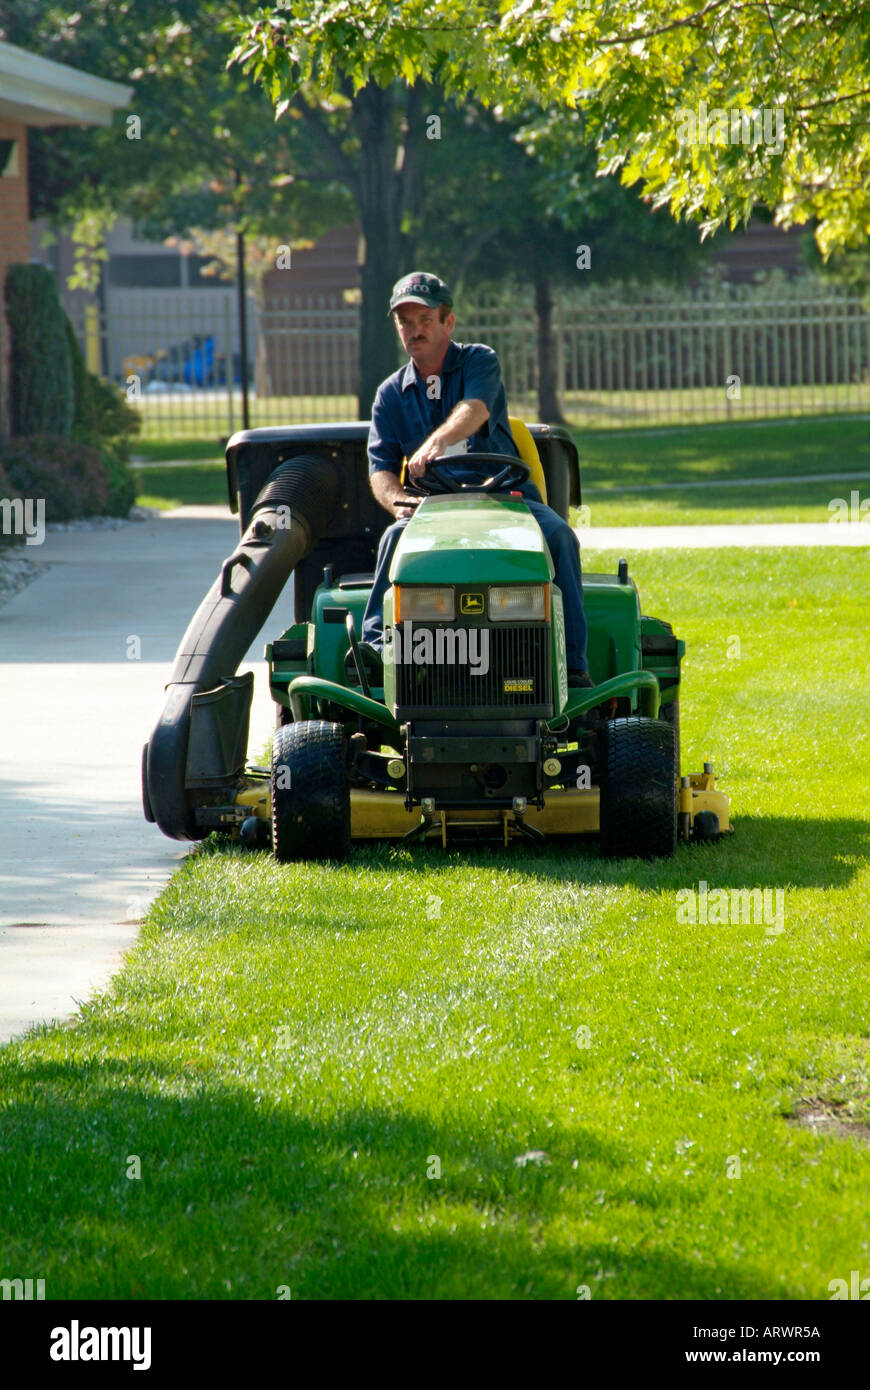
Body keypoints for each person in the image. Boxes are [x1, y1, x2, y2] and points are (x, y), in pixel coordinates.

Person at [358, 271, 592, 687]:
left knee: (558, 536)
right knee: (394, 539)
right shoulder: (390, 395)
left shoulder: (479, 361)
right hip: (433, 508)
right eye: (405, 322)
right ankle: (376, 654)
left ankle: (572, 668)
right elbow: (380, 470)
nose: (415, 331)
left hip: (506, 497)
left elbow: (475, 409)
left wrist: (436, 442)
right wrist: (397, 502)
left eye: (425, 320)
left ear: (448, 323)